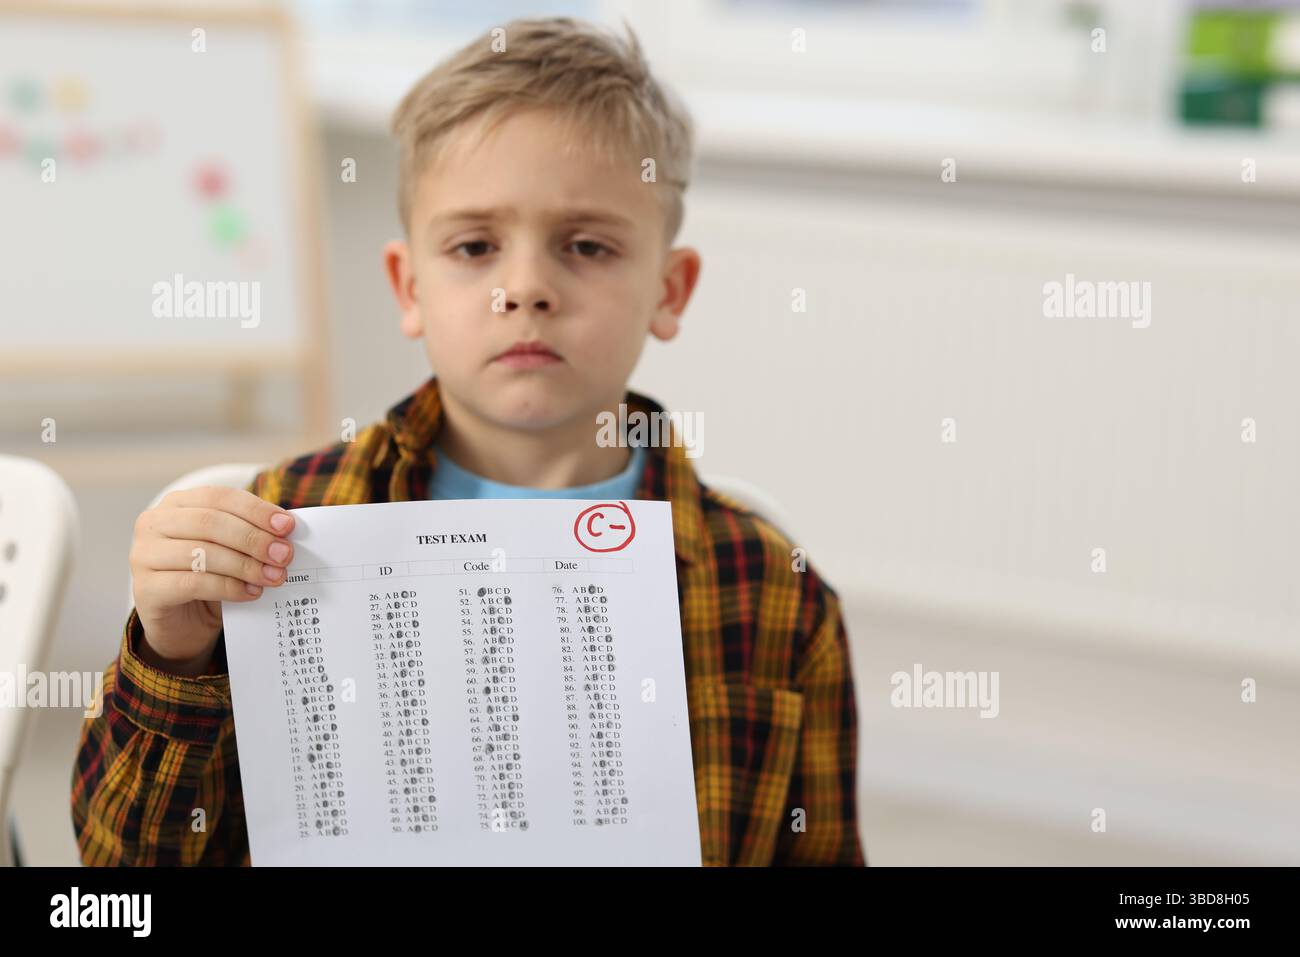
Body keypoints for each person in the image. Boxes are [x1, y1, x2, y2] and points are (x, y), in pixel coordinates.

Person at [71, 16, 864, 867]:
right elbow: (125, 874)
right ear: (409, 286)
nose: (523, 288)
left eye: (587, 246)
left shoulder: (775, 595)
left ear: (669, 290)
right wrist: (173, 653)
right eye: (475, 246)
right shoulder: (279, 530)